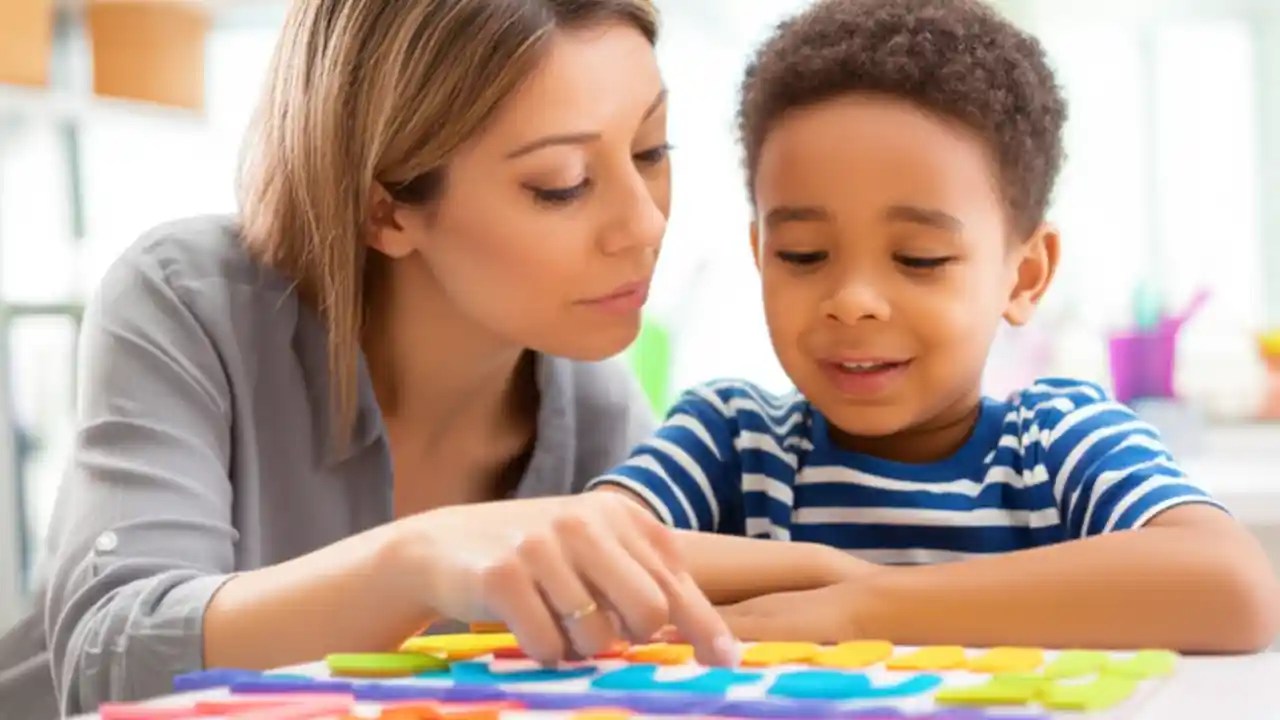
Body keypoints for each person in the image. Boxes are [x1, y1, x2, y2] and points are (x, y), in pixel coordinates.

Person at [0, 1, 760, 715]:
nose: (645, 221)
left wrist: (870, 585)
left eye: (651, 150)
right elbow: (107, 659)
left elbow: (702, 604)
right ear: (384, 209)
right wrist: (420, 561)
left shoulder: (595, 405)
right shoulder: (190, 301)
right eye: (561, 186)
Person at [591, 0, 1280, 651]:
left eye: (919, 259)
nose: (852, 300)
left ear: (1027, 274)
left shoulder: (1057, 444)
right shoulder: (732, 442)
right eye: (803, 255)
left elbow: (1235, 588)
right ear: (760, 255)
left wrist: (862, 604)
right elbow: (583, 557)